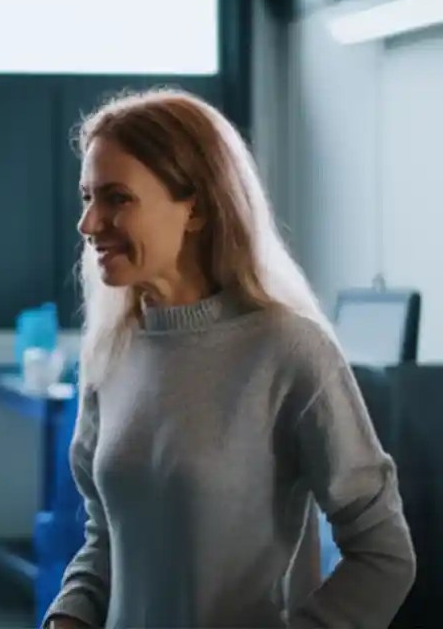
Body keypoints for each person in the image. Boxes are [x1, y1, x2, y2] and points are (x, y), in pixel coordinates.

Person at [44, 88, 416, 629]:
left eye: (117, 198)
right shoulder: (113, 353)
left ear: (194, 207)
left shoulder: (288, 350)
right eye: (86, 198)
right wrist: (67, 619)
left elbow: (384, 555)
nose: (89, 223)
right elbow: (106, 540)